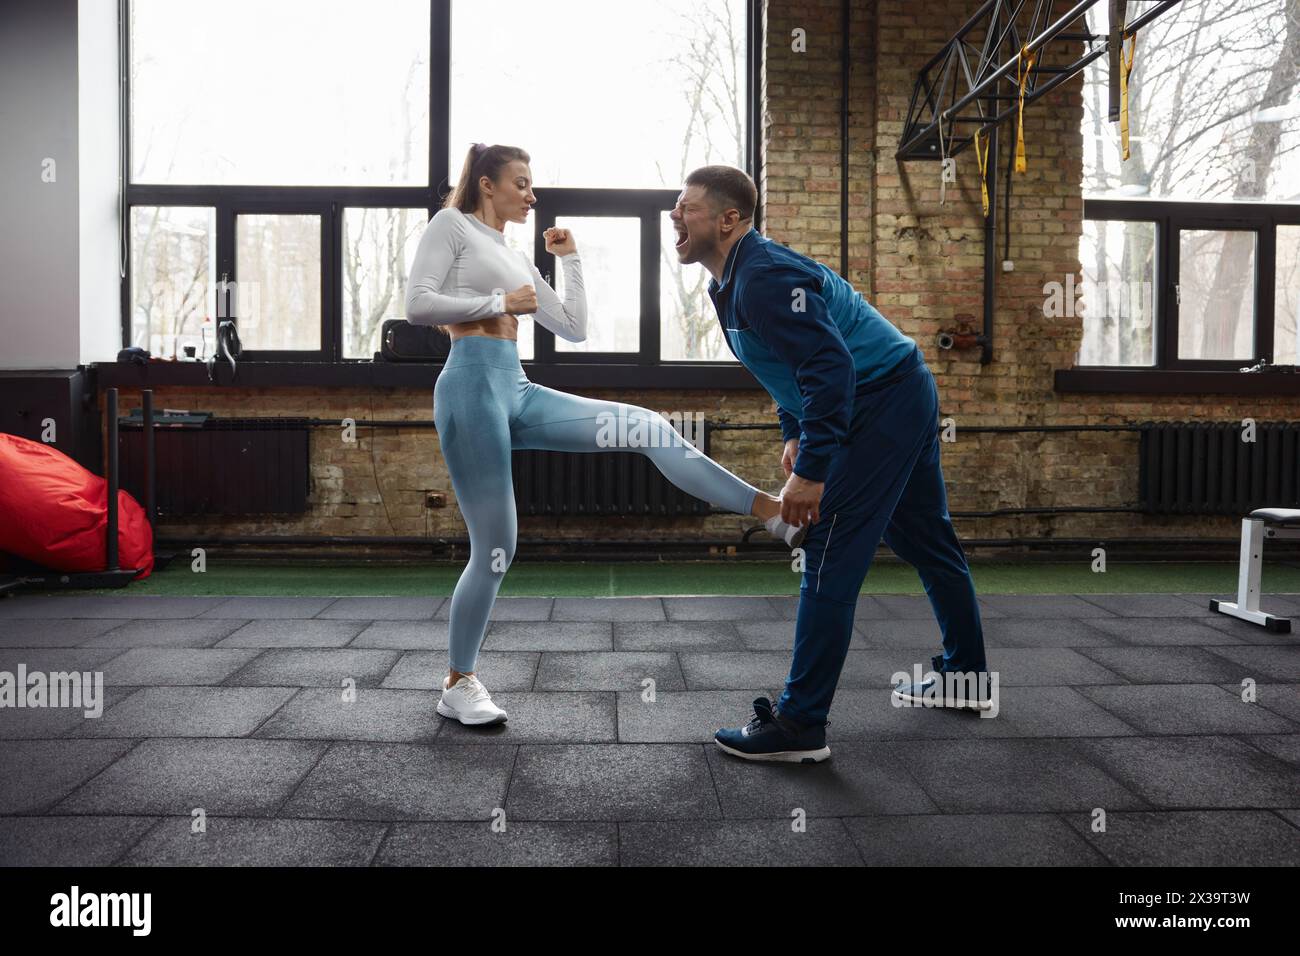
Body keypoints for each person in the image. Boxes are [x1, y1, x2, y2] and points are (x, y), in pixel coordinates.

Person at [405, 143, 807, 726]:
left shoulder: (511, 252)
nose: (531, 195)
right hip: (469, 386)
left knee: (642, 425)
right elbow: (417, 303)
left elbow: (571, 326)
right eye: (521, 183)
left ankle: (771, 511)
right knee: (497, 547)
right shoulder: (452, 225)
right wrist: (499, 300)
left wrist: (569, 261)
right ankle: (458, 681)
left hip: (514, 387)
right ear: (487, 184)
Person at [670, 165, 991, 763]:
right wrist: (795, 430)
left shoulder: (762, 276)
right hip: (896, 389)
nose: (674, 217)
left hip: (879, 401)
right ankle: (964, 677)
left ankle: (800, 723)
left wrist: (812, 470)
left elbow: (831, 370)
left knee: (828, 551)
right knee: (927, 541)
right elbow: (790, 365)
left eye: (686, 207)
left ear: (729, 219)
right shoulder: (730, 282)